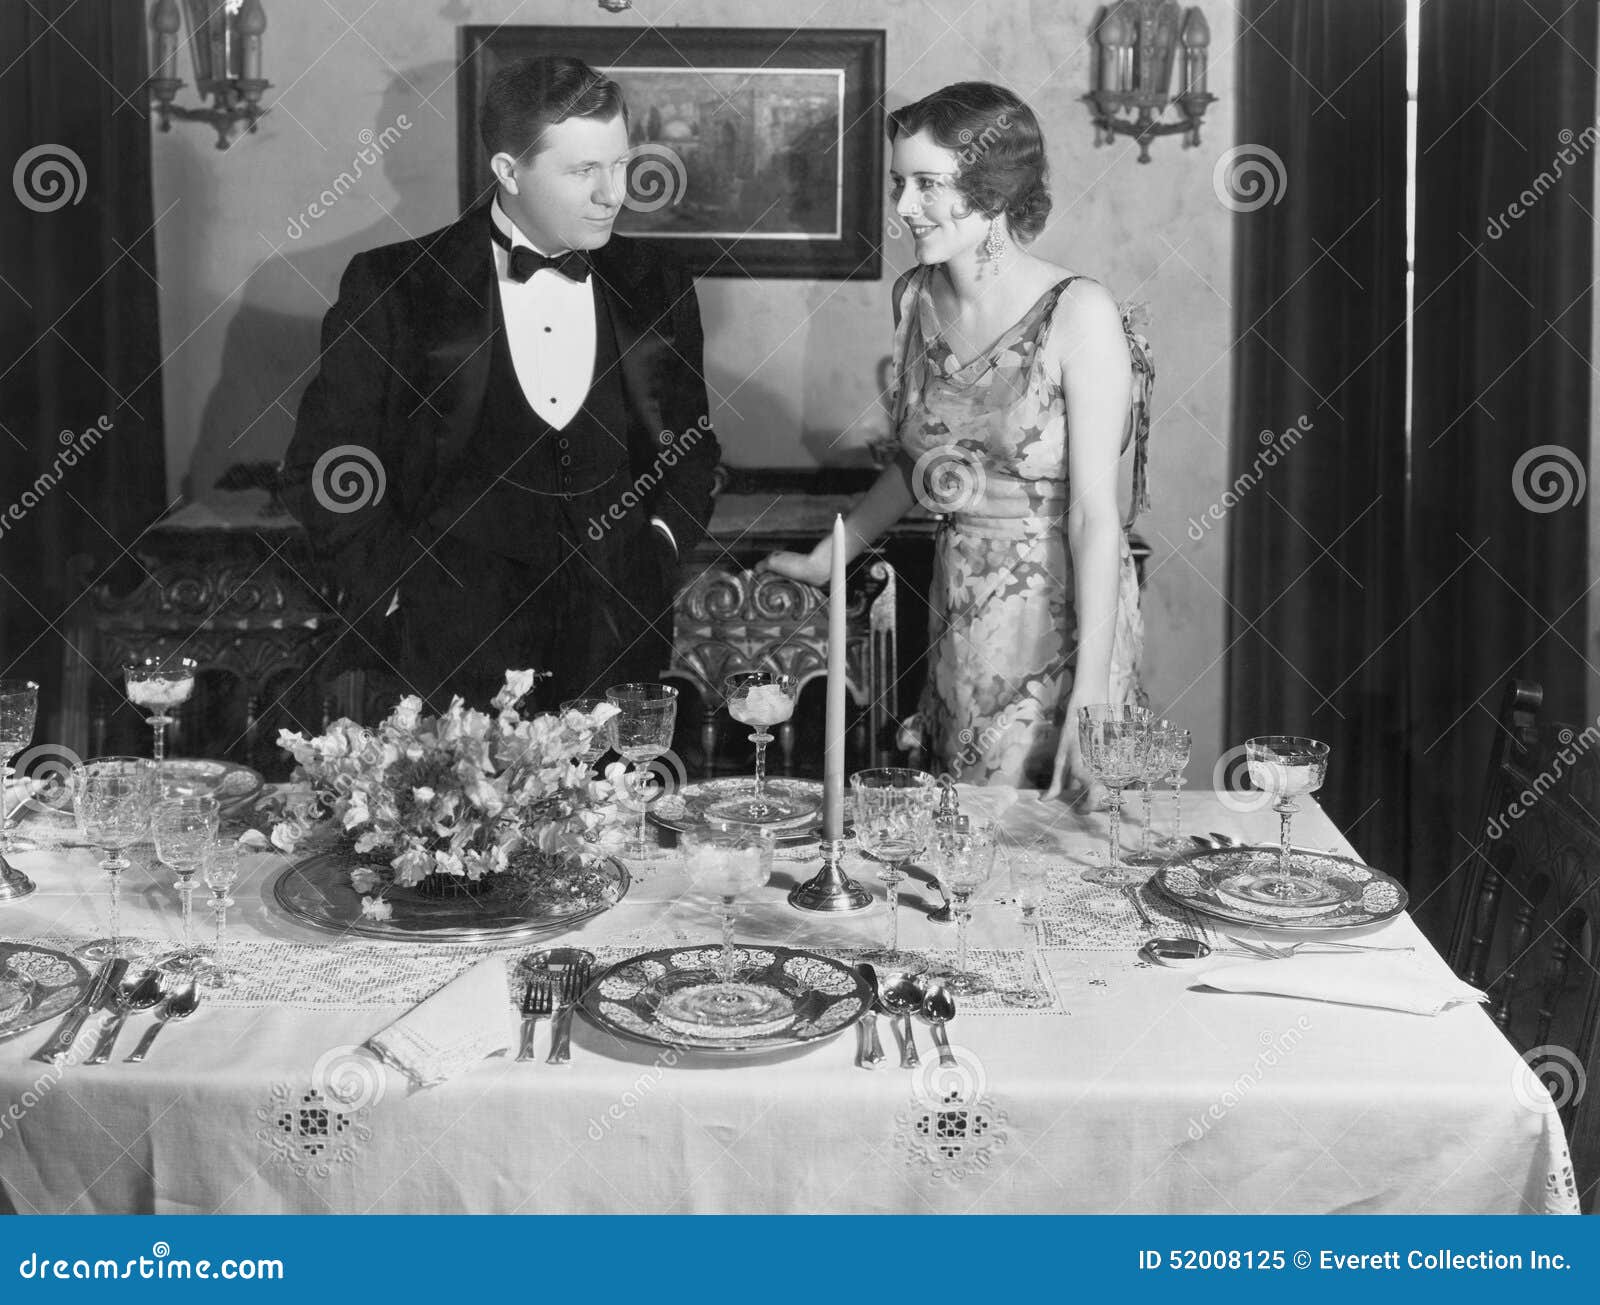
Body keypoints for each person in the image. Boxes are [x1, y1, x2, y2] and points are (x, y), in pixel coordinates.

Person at [281, 56, 719, 712]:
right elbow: (322, 466)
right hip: (444, 664)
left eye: (622, 164)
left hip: (617, 653)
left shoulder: (658, 282)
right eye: (582, 171)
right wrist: (400, 590)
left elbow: (693, 450)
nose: (614, 194)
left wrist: (655, 549)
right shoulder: (396, 286)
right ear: (508, 172)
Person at [762, 82, 1149, 802]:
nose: (904, 207)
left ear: (993, 188)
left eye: (928, 185)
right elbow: (920, 458)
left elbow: (1099, 515)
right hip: (961, 603)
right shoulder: (916, 299)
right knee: (964, 825)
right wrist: (831, 555)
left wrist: (1093, 686)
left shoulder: (1080, 313)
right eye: (900, 183)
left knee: (1062, 833)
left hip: (1065, 610)